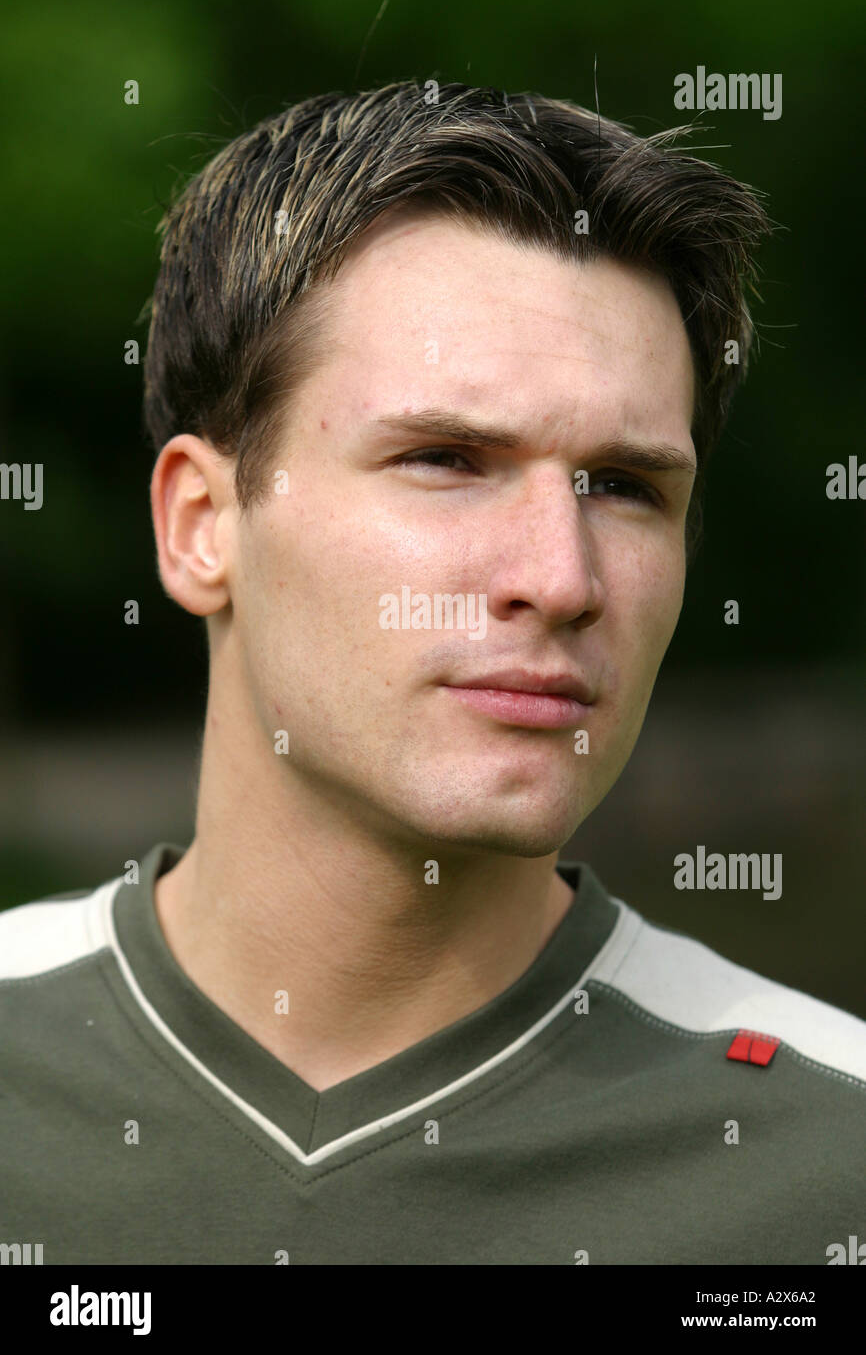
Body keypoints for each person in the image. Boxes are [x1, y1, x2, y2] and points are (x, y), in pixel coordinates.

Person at [2, 82, 863, 1266]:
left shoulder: (828, 1157)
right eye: (445, 458)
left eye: (623, 486)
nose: (559, 578)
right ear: (203, 522)